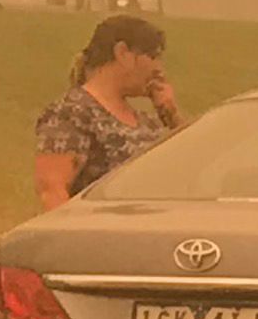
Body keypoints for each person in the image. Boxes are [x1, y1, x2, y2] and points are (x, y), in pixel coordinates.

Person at [34, 14, 180, 207]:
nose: (158, 68)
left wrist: (170, 114)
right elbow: (52, 189)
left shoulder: (146, 121)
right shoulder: (71, 114)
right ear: (123, 53)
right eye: (152, 56)